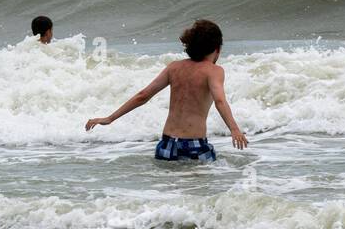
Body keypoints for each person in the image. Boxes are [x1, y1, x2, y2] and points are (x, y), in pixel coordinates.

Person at [84, 19, 249, 161]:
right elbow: (220, 100)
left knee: (168, 191)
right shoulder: (214, 71)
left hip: (166, 145)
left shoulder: (174, 68)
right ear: (217, 49)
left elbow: (143, 96)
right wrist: (234, 129)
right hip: (194, 145)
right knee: (201, 190)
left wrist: (110, 118)